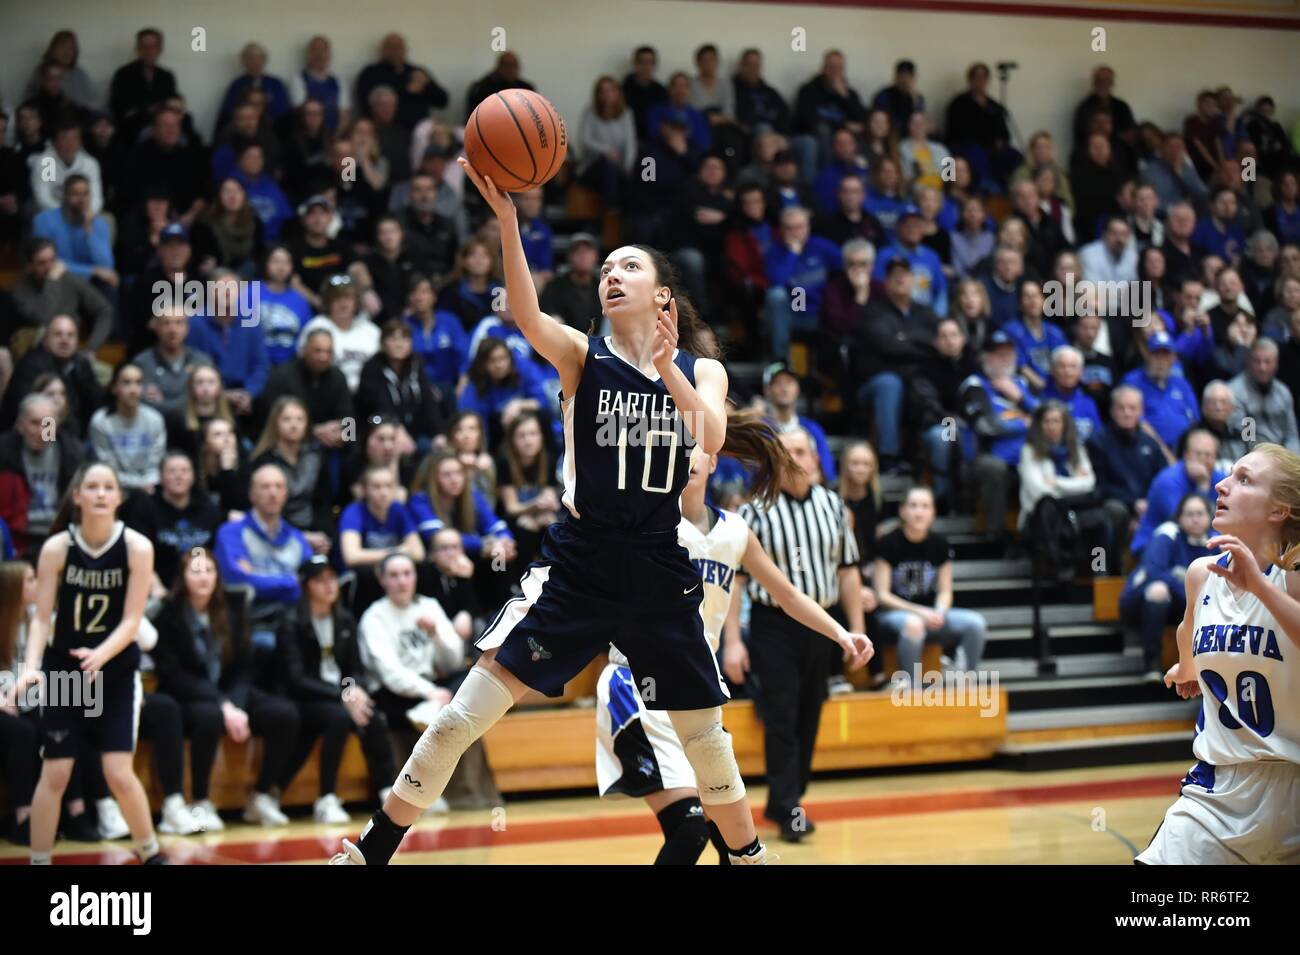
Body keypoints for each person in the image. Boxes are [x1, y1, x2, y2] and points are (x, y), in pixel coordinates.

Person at [329, 156, 802, 867]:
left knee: (705, 739)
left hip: (656, 566)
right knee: (463, 714)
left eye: (628, 267)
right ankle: (371, 851)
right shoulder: (582, 355)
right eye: (606, 267)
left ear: (663, 296)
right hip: (578, 564)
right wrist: (509, 223)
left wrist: (669, 365)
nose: (611, 274)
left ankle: (749, 858)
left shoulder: (702, 370)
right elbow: (525, 313)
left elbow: (707, 434)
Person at [598, 448, 870, 863]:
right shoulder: (644, 521)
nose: (686, 454)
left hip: (695, 692)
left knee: (731, 840)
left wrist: (841, 633)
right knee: (690, 829)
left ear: (712, 463)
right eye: (676, 448)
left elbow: (789, 594)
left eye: (696, 449)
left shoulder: (735, 531)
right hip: (636, 686)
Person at [1138, 444, 1300, 864]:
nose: (1221, 484)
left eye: (1244, 479)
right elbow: (1187, 636)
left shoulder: (1293, 580)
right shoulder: (1200, 576)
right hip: (1219, 792)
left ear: (1279, 510)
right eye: (1229, 475)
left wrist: (1260, 587)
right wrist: (1185, 669)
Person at [15, 463, 165, 864]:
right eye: (92, 487)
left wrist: (102, 653)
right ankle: (40, 859)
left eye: (108, 487)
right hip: (66, 669)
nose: (100, 494)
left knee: (118, 771)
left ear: (119, 497)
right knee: (57, 772)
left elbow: (133, 619)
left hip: (114, 671)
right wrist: (31, 667)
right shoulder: (56, 549)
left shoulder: (137, 547)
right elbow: (42, 618)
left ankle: (151, 853)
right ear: (77, 496)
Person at [151, 546, 298, 828]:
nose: (203, 577)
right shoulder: (167, 614)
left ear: (218, 575)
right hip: (188, 695)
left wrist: (236, 704)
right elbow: (173, 675)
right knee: (210, 717)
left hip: (231, 692)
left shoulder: (232, 608)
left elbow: (244, 667)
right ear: (183, 577)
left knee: (284, 714)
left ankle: (262, 795)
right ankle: (201, 801)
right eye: (195, 571)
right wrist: (225, 705)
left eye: (209, 570)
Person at [279, 554, 396, 823]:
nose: (329, 585)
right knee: (338, 717)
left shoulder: (344, 619)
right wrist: (342, 695)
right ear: (307, 585)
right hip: (304, 698)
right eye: (321, 580)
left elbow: (354, 669)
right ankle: (327, 798)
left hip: (339, 695)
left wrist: (353, 690)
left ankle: (386, 790)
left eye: (332, 578)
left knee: (372, 714)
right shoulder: (291, 622)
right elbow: (296, 679)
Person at [874, 486, 987, 686]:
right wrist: (920, 612)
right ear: (903, 511)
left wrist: (940, 612)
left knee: (976, 623)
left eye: (925, 506)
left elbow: (945, 591)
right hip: (893, 615)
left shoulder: (940, 543)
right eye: (913, 506)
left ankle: (965, 680)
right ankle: (910, 684)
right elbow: (882, 595)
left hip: (930, 614)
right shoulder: (888, 543)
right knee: (913, 624)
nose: (919, 511)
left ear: (933, 512)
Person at [1120, 493, 1213, 680]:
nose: (1195, 519)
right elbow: (1154, 570)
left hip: (1181, 603)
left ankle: (1203, 672)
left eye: (1200, 514)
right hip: (1139, 601)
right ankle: (1151, 664)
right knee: (1158, 589)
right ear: (1179, 517)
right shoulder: (1167, 533)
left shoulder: (1214, 542)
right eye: (1189, 514)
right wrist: (1194, 595)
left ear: (1209, 517)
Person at [0, 394, 85, 558]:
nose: (41, 431)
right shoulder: (4, 453)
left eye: (48, 424)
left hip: (59, 533)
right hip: (16, 535)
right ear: (20, 424)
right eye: (34, 423)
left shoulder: (73, 454)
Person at [339, 465, 425, 614]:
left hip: (389, 573)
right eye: (376, 487)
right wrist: (394, 552)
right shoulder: (354, 511)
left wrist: (390, 557)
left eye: (388, 486)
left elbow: (419, 553)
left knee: (417, 570)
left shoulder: (398, 509)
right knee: (369, 574)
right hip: (359, 578)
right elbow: (351, 556)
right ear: (365, 490)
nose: (383, 492)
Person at [1131, 429, 1227, 556]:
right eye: (1198, 454)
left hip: (1196, 545)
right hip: (1157, 545)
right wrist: (1202, 486)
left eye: (1209, 455)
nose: (1203, 460)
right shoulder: (1168, 481)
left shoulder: (1220, 479)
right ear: (1186, 455)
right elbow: (1189, 523)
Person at [0, 560, 39, 845]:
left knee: (60, 722)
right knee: (23, 733)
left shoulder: (35, 619)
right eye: (30, 580)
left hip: (22, 702)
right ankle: (22, 815)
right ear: (14, 588)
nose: (37, 584)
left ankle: (74, 811)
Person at [87, 363, 167, 496]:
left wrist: (146, 484)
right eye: (126, 383)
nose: (133, 389)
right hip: (113, 489)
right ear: (114, 387)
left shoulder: (155, 420)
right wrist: (140, 485)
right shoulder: (101, 421)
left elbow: (155, 465)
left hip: (150, 489)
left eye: (138, 383)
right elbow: (108, 469)